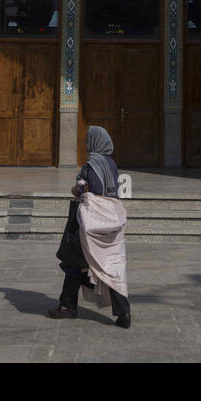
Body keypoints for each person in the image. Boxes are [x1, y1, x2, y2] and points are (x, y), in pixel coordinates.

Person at [47, 125, 130, 328]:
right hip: (113, 221)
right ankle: (123, 312)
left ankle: (67, 307)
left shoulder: (92, 163)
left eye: (87, 140)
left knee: (74, 263)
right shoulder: (111, 163)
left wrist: (75, 188)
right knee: (110, 267)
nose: (85, 144)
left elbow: (86, 188)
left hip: (93, 223)